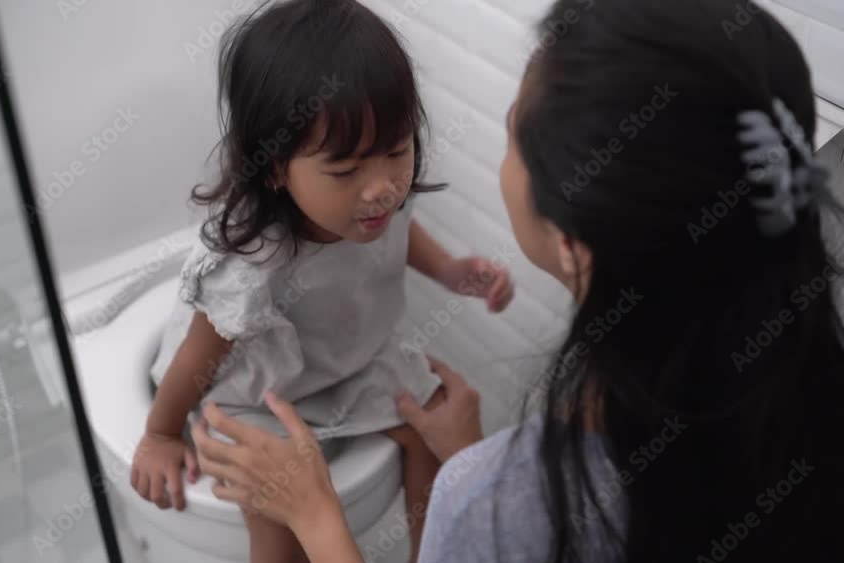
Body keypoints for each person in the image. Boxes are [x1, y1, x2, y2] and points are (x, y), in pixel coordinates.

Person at [190, 0, 844, 561]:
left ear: (570, 244)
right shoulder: (799, 408)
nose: (385, 187)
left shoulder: (498, 503)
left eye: (513, 132)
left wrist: (317, 515)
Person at [129, 1, 513, 562]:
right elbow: (198, 358)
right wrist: (161, 434)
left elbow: (404, 233)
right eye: (346, 170)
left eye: (397, 152)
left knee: (432, 433)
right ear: (275, 167)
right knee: (276, 514)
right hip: (256, 392)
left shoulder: (379, 202)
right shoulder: (253, 261)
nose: (381, 187)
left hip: (344, 359)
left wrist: (452, 272)